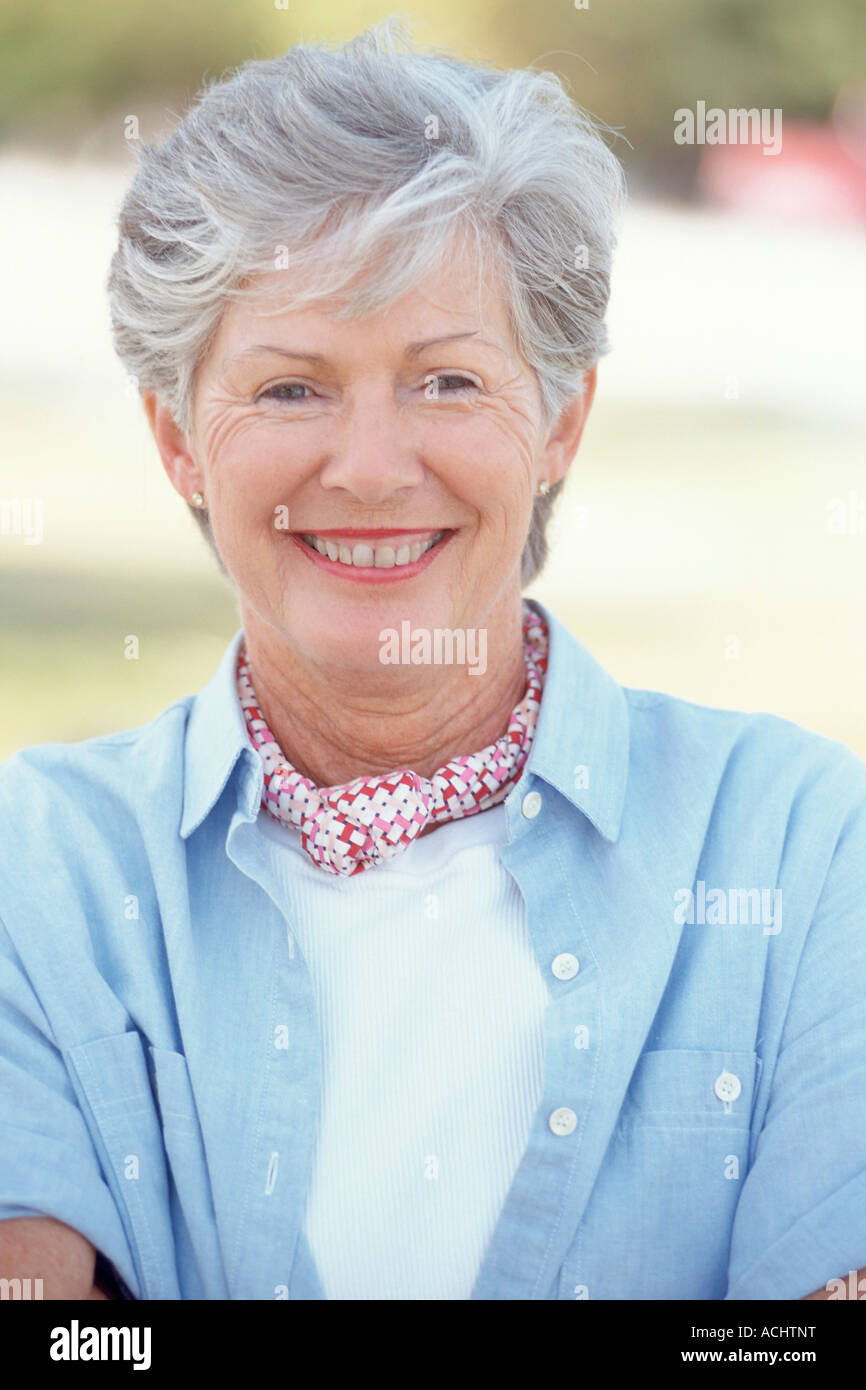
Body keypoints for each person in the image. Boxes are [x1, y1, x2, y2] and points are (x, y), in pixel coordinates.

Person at [1, 19, 864, 1301]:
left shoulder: (799, 844)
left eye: (447, 382)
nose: (366, 465)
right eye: (290, 388)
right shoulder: (40, 869)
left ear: (560, 419)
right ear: (178, 439)